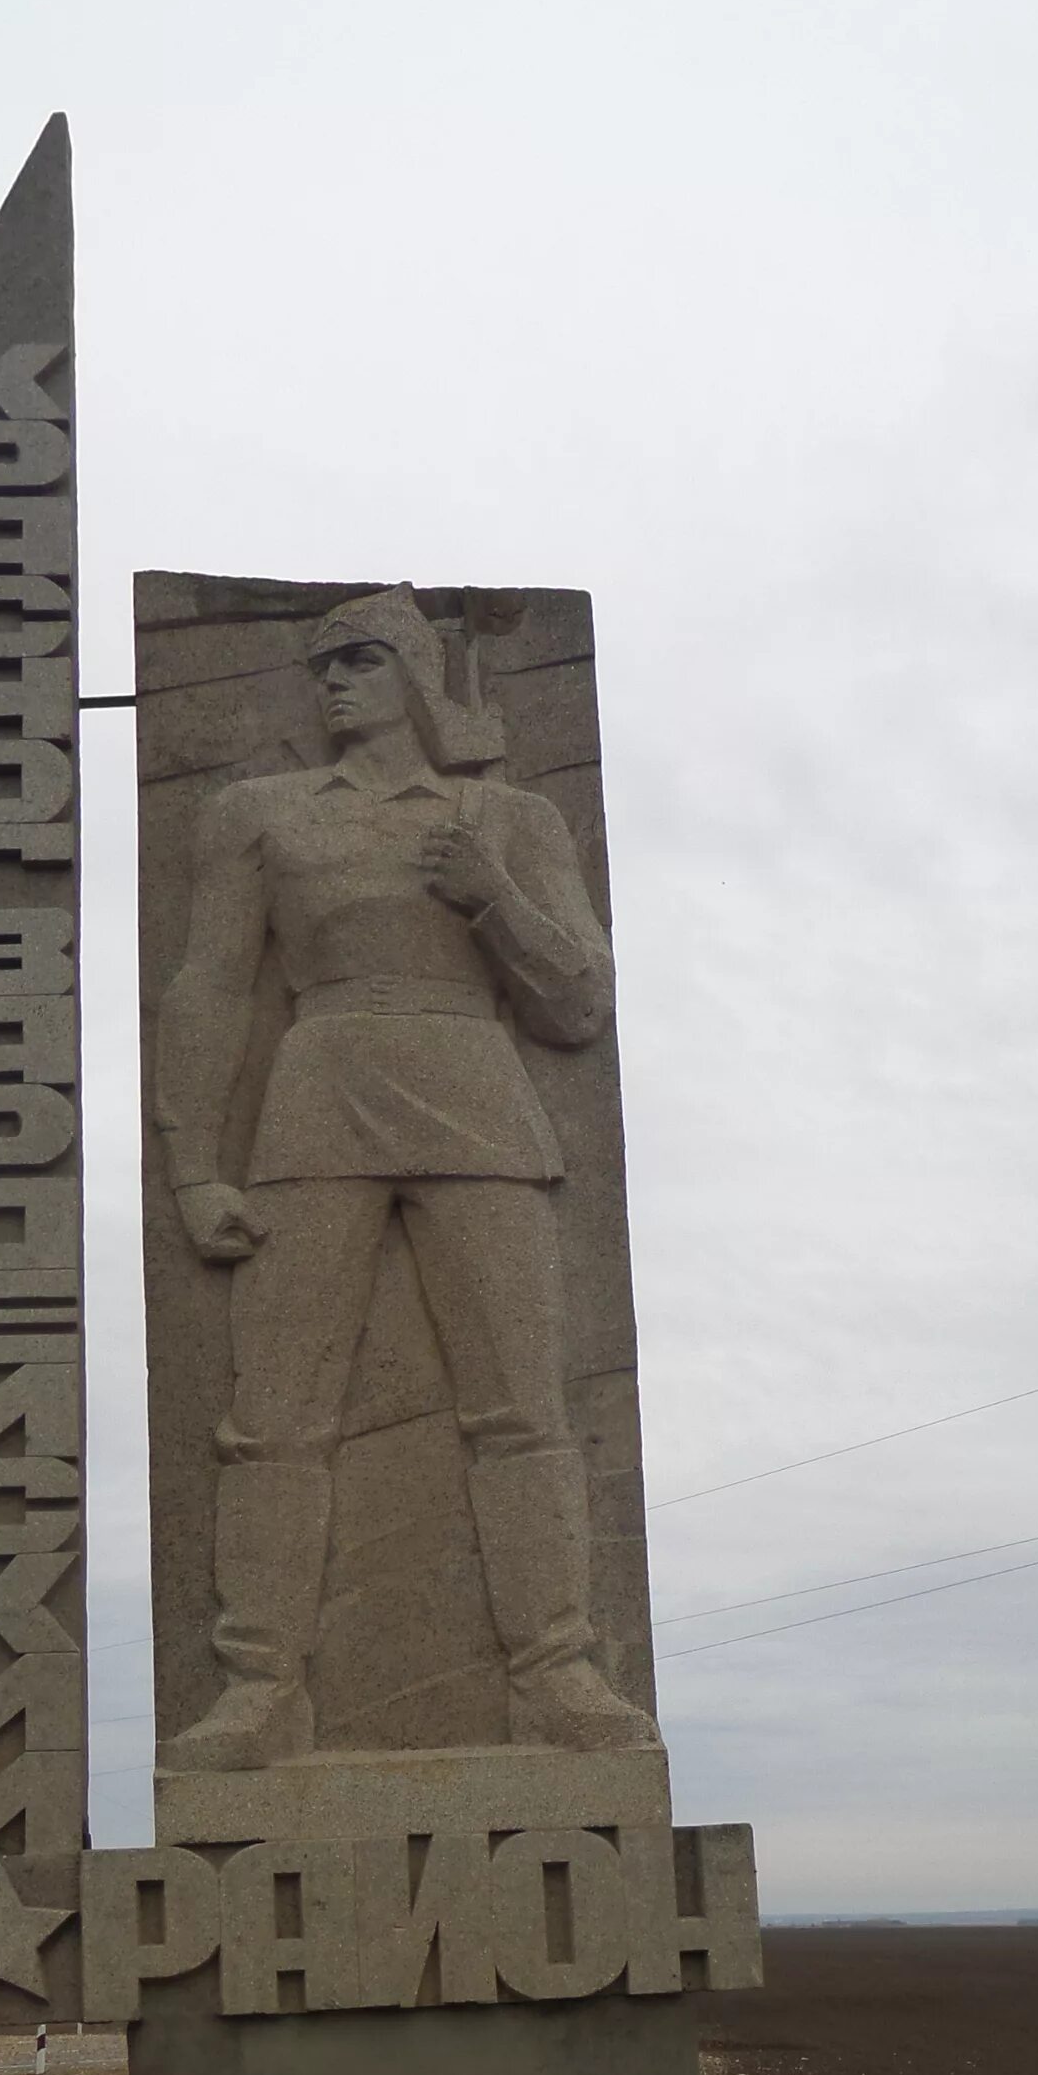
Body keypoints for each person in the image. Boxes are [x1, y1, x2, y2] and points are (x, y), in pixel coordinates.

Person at [153, 584, 660, 1770]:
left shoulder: (507, 820)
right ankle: (261, 1688)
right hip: (315, 1105)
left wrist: (490, 897)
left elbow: (580, 1001)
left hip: (478, 1099)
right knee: (274, 1418)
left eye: (363, 662)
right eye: (323, 667)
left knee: (524, 1411)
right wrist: (191, 1167)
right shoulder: (257, 813)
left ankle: (555, 1675)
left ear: (419, 678)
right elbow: (209, 988)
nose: (333, 684)